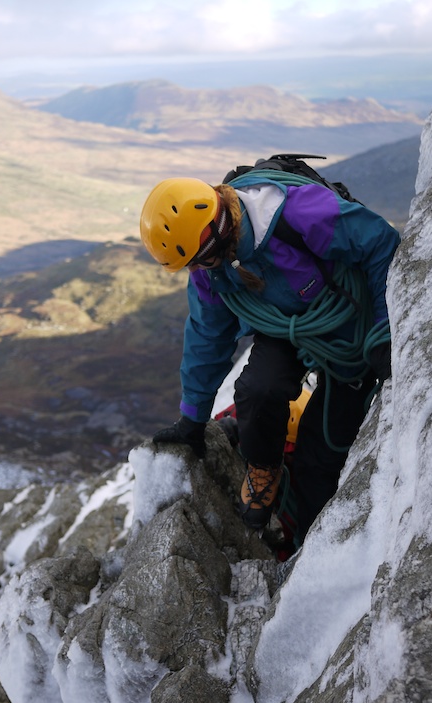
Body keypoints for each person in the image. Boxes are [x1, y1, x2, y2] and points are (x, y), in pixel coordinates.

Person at [139, 170, 400, 551]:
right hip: (283, 328)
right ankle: (264, 469)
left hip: (348, 326)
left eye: (200, 259)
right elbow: (207, 335)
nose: (197, 270)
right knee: (256, 391)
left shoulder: (299, 214)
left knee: (321, 457)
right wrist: (192, 418)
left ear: (217, 230)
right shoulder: (212, 268)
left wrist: (382, 333)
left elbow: (380, 242)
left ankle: (314, 554)